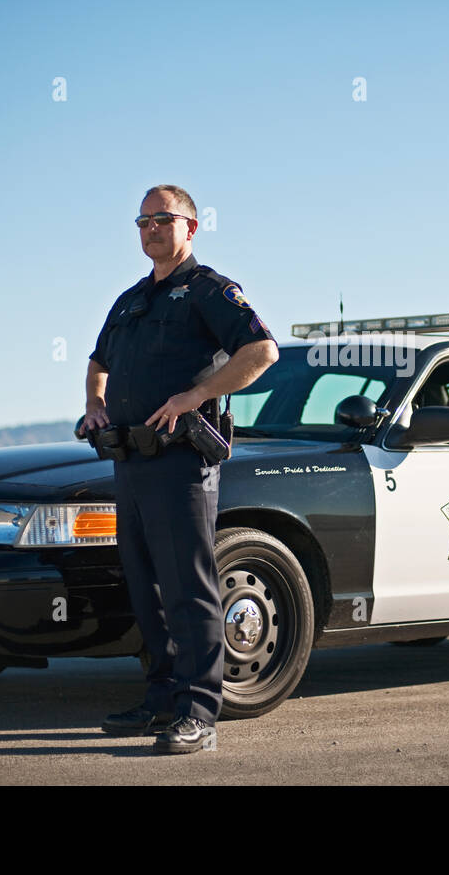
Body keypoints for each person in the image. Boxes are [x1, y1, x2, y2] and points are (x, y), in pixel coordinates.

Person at [82, 184, 278, 754]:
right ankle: (160, 700)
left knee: (189, 588)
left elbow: (261, 352)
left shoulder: (209, 291)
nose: (150, 229)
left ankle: (200, 713)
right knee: (147, 588)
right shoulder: (129, 301)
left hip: (179, 464)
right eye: (142, 222)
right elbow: (98, 362)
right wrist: (95, 403)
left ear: (191, 227)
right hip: (129, 461)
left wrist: (195, 396)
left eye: (163, 219)